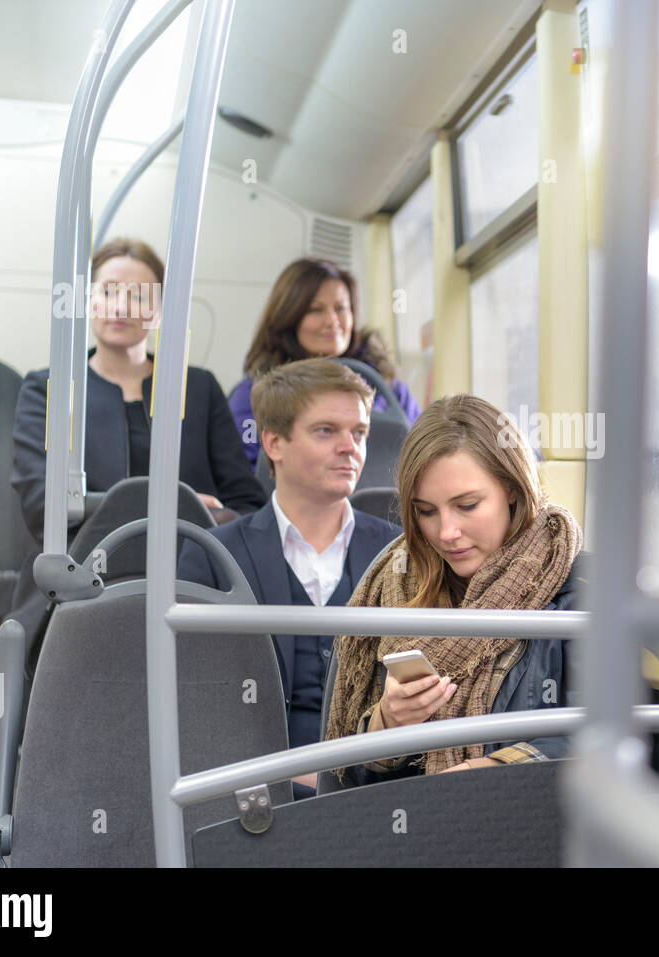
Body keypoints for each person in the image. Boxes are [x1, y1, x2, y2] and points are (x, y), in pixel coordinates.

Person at [6, 239, 267, 660]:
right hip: (78, 581)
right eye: (108, 291)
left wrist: (203, 514)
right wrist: (174, 505)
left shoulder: (198, 388)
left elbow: (246, 503)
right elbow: (42, 504)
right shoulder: (50, 388)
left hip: (188, 581)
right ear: (88, 301)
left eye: (139, 295)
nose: (121, 306)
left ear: (160, 309)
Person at [323, 394, 585, 788]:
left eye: (467, 505)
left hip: (532, 828)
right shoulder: (390, 583)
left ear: (512, 489)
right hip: (412, 826)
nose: (446, 533)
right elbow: (348, 776)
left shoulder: (575, 588)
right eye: (426, 511)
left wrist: (487, 773)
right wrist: (386, 725)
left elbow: (607, 738)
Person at [177, 358, 400, 796]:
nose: (349, 447)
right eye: (326, 431)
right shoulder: (213, 557)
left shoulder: (401, 553)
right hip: (251, 797)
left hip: (377, 794)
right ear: (274, 443)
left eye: (359, 433)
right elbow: (196, 705)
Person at [228, 258, 421, 468]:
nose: (332, 321)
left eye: (341, 308)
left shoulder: (387, 387)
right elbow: (245, 476)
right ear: (289, 317)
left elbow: (424, 452)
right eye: (315, 310)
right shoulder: (253, 395)